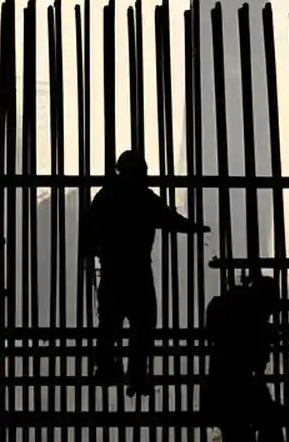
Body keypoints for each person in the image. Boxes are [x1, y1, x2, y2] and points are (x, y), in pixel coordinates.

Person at [84, 150, 210, 397]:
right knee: (143, 324)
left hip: (112, 272)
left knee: (109, 324)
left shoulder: (105, 196)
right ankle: (136, 375)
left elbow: (88, 233)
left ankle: (108, 369)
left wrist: (90, 263)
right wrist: (196, 228)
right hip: (138, 272)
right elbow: (170, 219)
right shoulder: (144, 197)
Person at [202, 274, 286, 442]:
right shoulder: (254, 317)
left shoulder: (227, 305)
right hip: (237, 392)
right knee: (268, 422)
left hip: (219, 391)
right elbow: (257, 363)